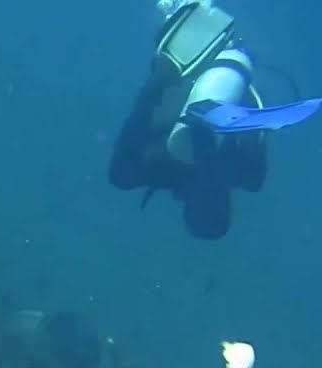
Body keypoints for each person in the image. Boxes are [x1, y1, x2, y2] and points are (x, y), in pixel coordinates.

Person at [108, 2, 321, 239]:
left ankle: (210, 49)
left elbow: (121, 170)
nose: (204, 193)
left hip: (188, 88)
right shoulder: (246, 173)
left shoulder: (170, 171)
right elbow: (254, 134)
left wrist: (155, 85)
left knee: (123, 174)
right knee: (125, 173)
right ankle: (226, 53)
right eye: (213, 201)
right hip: (218, 88)